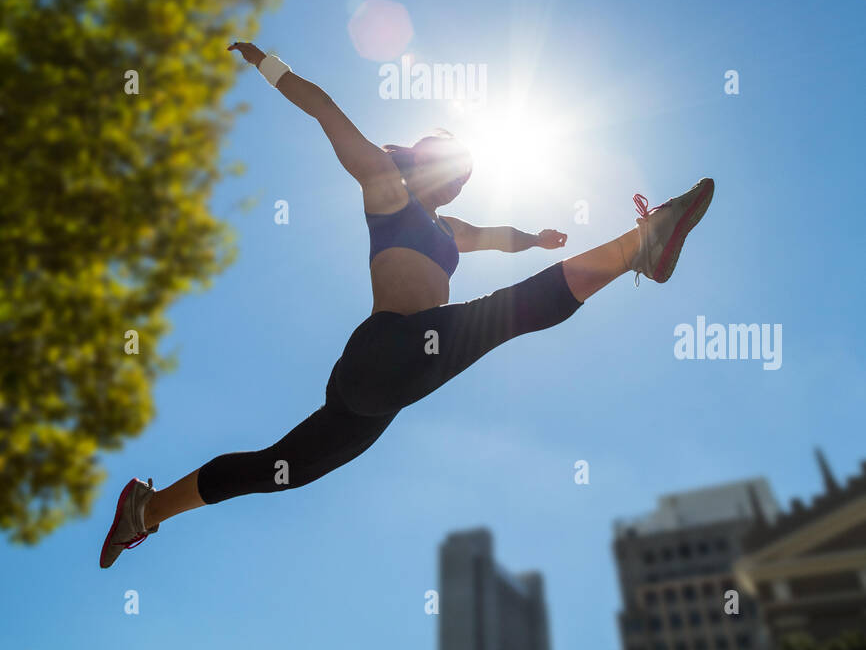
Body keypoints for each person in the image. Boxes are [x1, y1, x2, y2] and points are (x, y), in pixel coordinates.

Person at [99, 43, 714, 567]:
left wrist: (537, 238)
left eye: (464, 179)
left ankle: (144, 509)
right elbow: (325, 111)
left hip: (376, 392)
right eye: (452, 171)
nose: (457, 185)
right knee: (507, 315)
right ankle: (641, 243)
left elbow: (495, 238)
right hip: (387, 351)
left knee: (276, 467)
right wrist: (269, 65)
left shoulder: (448, 230)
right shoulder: (384, 187)